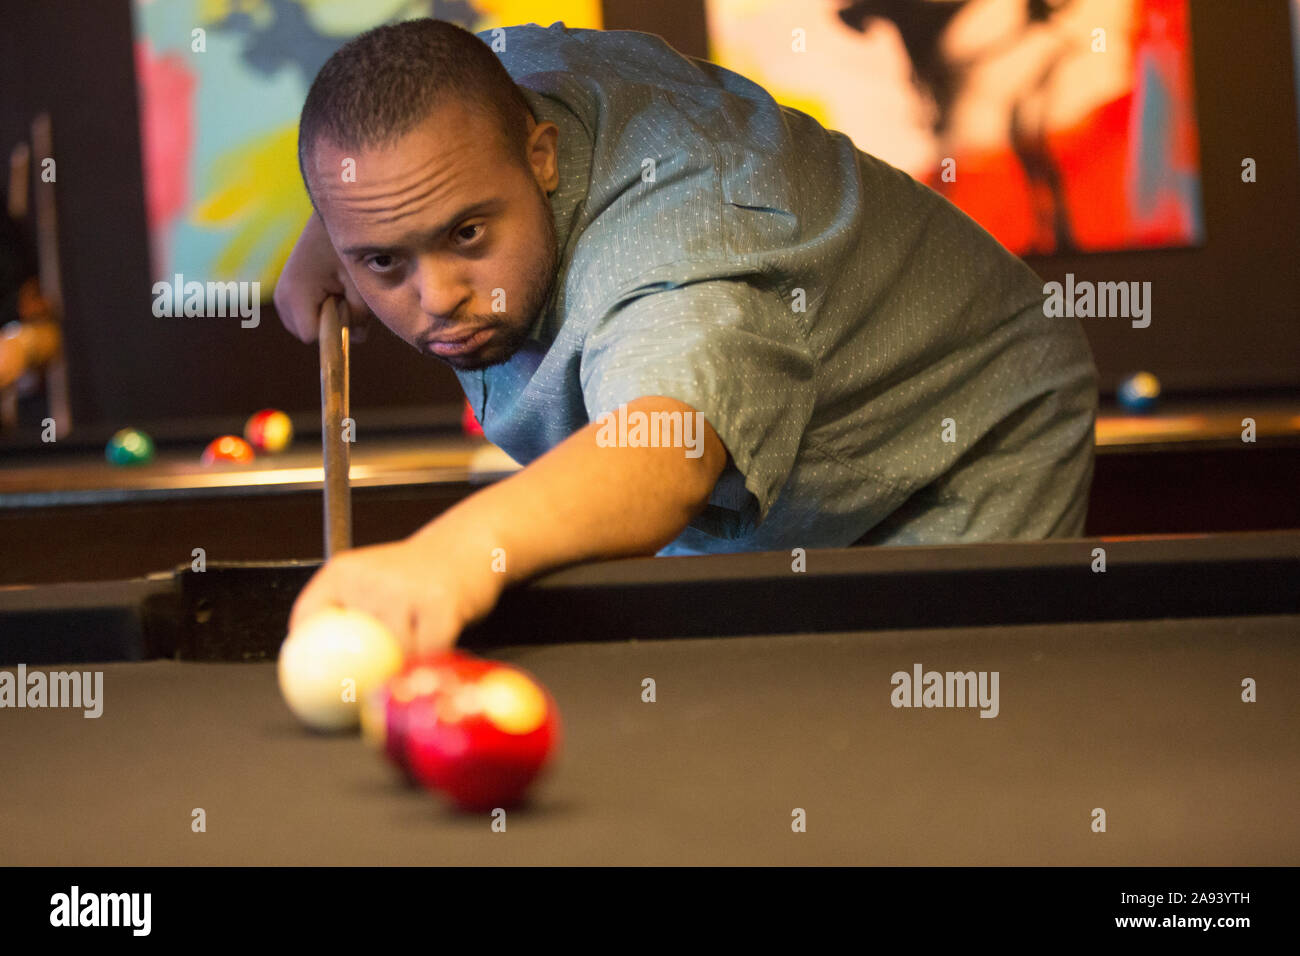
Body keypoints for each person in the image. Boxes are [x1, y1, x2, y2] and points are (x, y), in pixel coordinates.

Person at [275, 19, 1097, 654]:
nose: (439, 299)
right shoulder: (490, 85)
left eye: (466, 235)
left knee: (914, 741)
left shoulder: (675, 256)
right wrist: (331, 238)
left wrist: (450, 557)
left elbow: (659, 458)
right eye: (384, 261)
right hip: (776, 459)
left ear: (542, 157)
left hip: (962, 442)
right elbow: (413, 126)